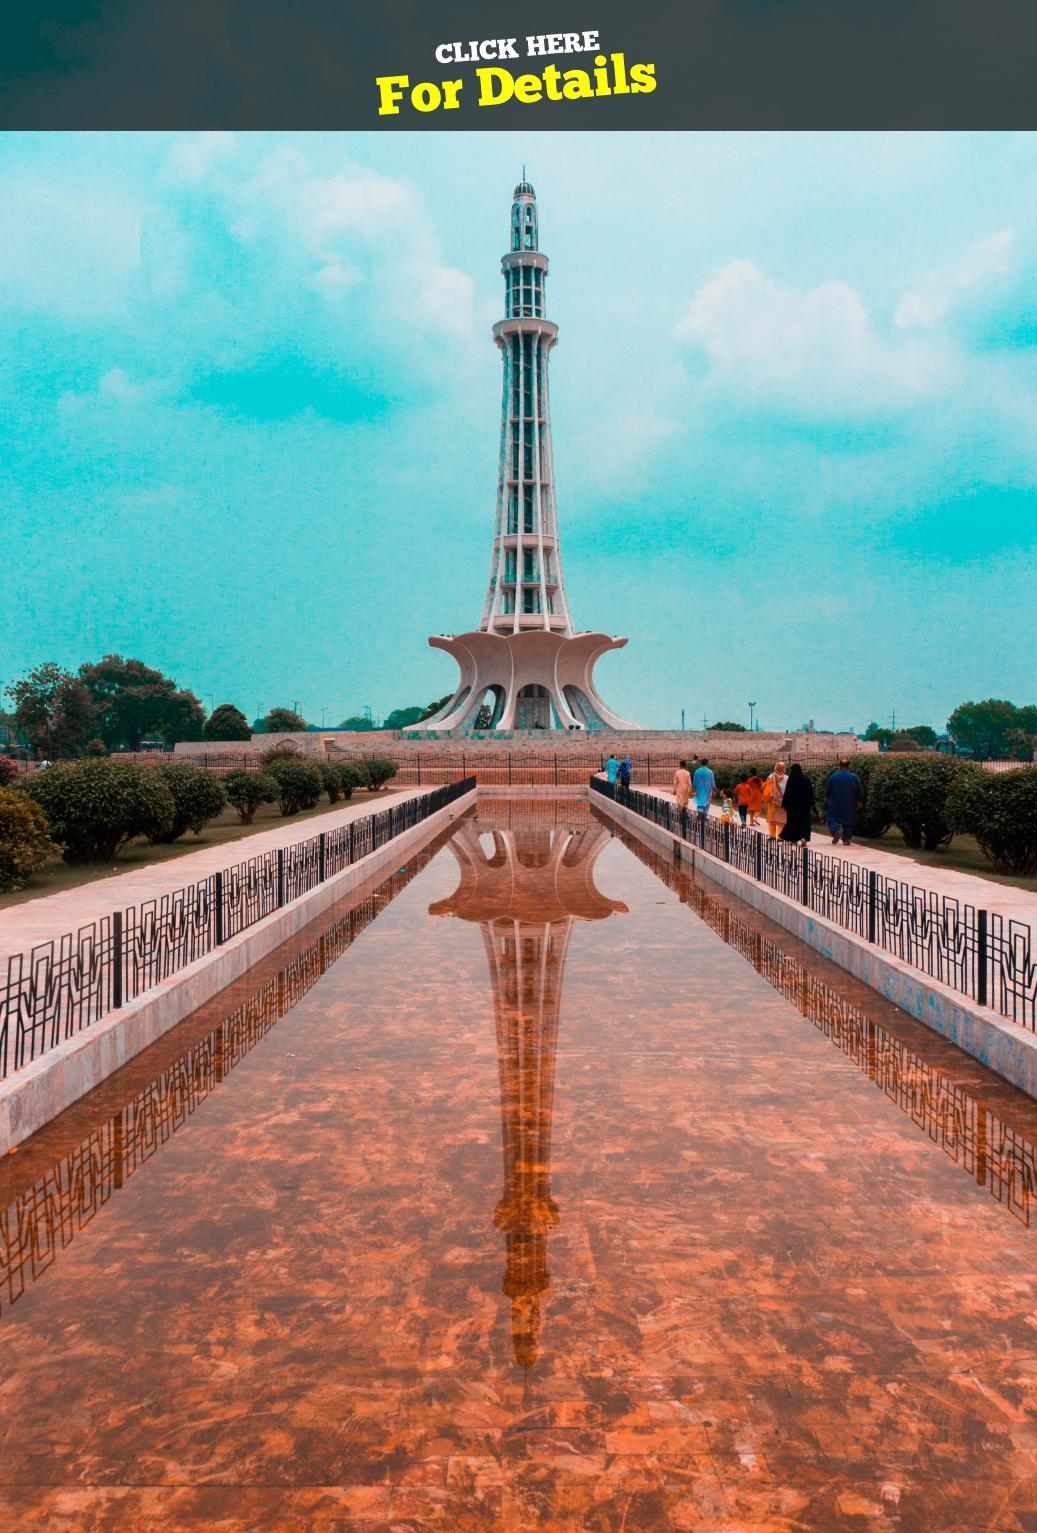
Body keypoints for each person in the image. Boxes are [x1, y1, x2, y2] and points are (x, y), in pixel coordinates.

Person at [825, 757, 865, 845]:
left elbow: (828, 789)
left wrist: (827, 798)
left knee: (832, 818)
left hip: (835, 803)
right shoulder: (854, 777)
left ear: (840, 766)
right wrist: (860, 801)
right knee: (849, 821)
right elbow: (859, 790)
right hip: (850, 803)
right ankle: (846, 839)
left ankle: (836, 829)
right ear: (848, 766)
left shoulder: (834, 776)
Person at [779, 762, 814, 844]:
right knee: (805, 822)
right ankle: (804, 838)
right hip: (804, 806)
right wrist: (811, 804)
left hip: (793, 807)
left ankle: (793, 839)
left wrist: (785, 805)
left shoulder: (791, 780)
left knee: (793, 822)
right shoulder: (806, 780)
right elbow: (810, 793)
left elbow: (787, 793)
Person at [762, 760, 787, 839]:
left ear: (776, 767)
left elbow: (766, 787)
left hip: (772, 801)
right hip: (783, 801)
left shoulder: (771, 776)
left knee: (771, 818)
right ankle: (780, 836)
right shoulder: (787, 778)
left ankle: (772, 835)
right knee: (781, 819)